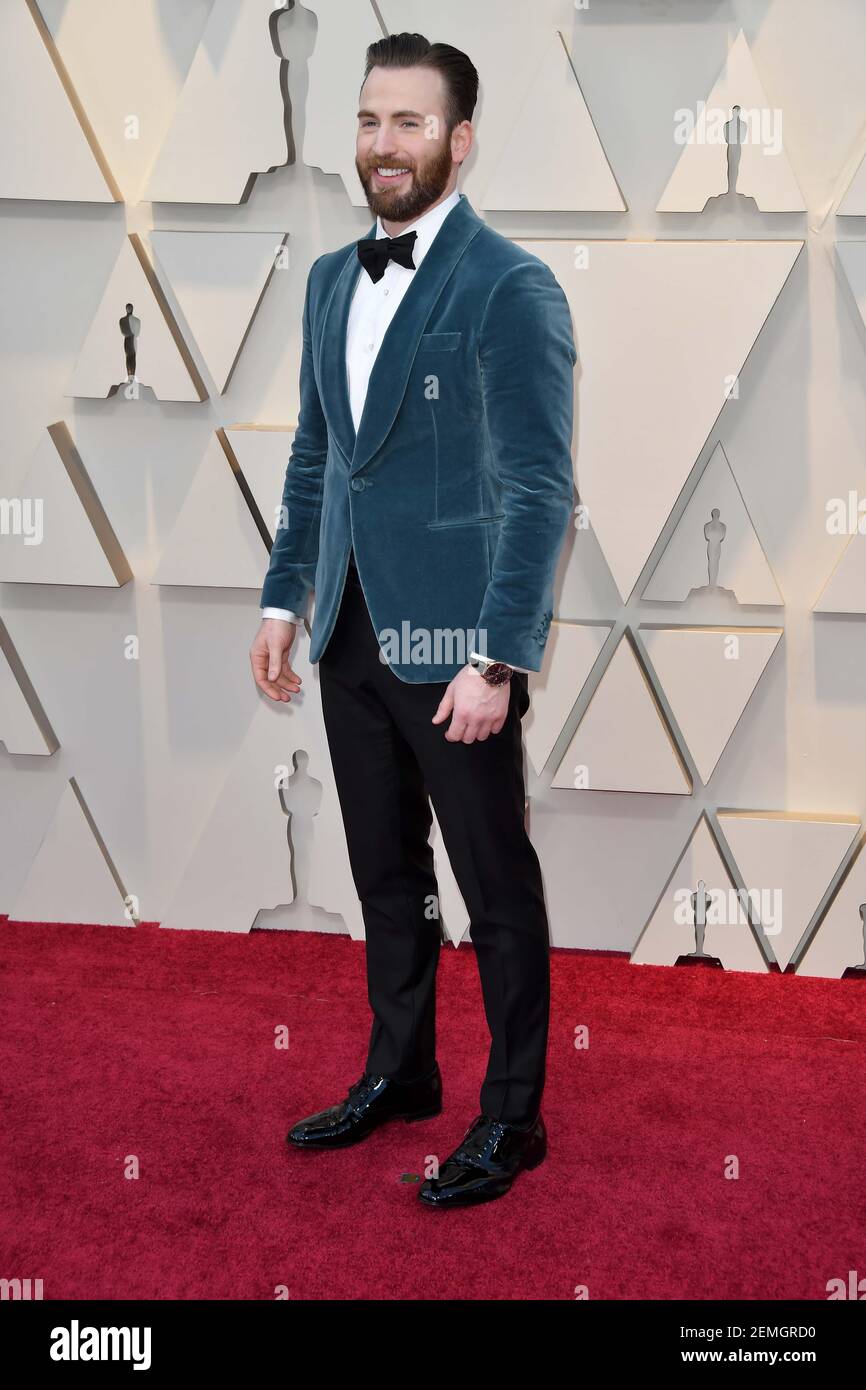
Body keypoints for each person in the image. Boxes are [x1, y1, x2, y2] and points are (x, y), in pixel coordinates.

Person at [250, 31, 577, 1210]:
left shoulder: (509, 285)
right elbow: (316, 455)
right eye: (369, 121)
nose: (383, 146)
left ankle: (513, 1115)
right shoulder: (334, 279)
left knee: (494, 887)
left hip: (456, 653)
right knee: (386, 877)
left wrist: (497, 656)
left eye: (409, 124)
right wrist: (288, 592)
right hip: (344, 629)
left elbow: (537, 489)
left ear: (459, 140)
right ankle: (401, 1071)